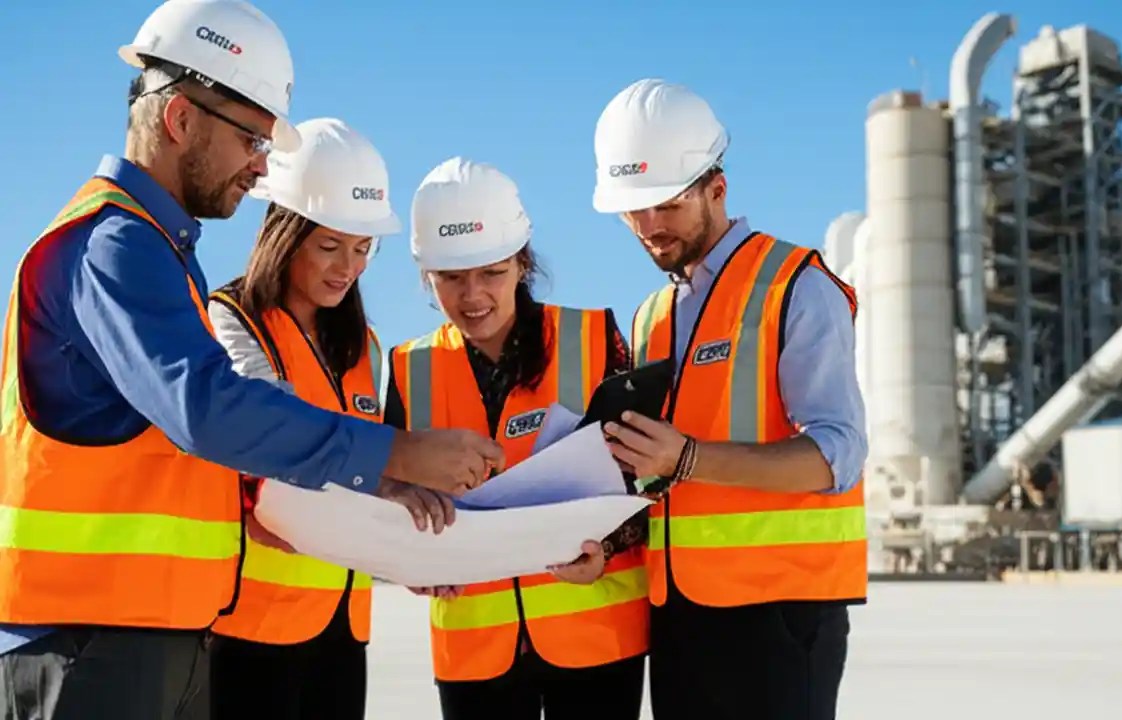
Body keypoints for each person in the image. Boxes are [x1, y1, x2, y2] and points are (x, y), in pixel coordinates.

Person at [0, 2, 502, 717]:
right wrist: (398, 453)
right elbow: (206, 408)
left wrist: (390, 507)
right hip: (92, 639)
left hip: (151, 634)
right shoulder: (116, 243)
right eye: (250, 138)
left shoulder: (160, 252)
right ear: (179, 120)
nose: (261, 164)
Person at [590, 78, 870, 720]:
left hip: (780, 616)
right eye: (635, 210)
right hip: (678, 613)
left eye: (668, 204)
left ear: (716, 188)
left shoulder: (796, 283)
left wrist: (689, 458)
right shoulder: (652, 315)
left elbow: (838, 453)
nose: (650, 227)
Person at [382, 157, 650, 720]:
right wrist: (414, 568)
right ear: (425, 274)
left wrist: (609, 547)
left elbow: (649, 476)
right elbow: (391, 498)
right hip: (475, 653)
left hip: (595, 635)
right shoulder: (409, 368)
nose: (472, 294)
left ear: (521, 262)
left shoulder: (594, 338)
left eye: (492, 272)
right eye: (451, 277)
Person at [201, 117, 437, 719]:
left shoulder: (364, 347)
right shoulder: (232, 321)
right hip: (250, 629)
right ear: (283, 231)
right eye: (330, 246)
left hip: (342, 629)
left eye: (363, 249)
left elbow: (365, 474)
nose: (348, 267)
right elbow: (259, 451)